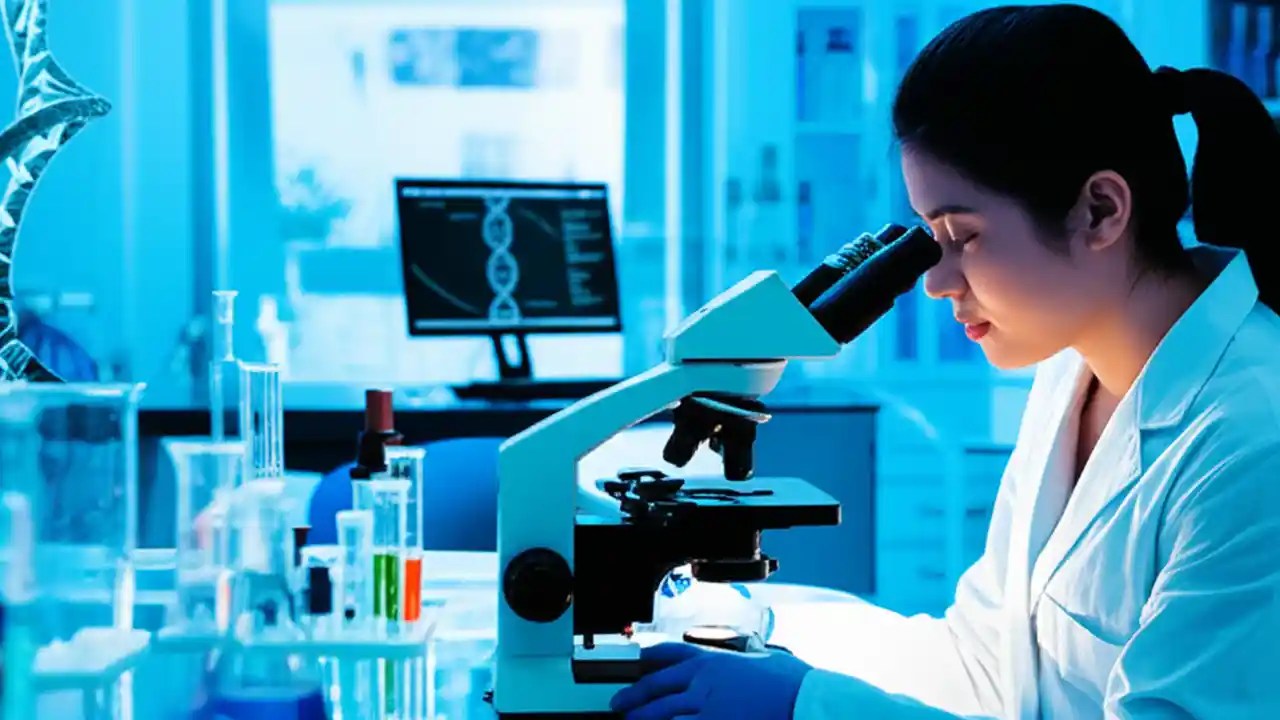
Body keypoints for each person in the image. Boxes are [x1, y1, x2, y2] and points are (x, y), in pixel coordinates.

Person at [610, 4, 1280, 719]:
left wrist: (805, 706)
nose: (934, 279)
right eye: (931, 235)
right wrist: (765, 631)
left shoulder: (1252, 440)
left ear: (1100, 211)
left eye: (962, 233)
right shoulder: (1074, 373)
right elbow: (986, 667)